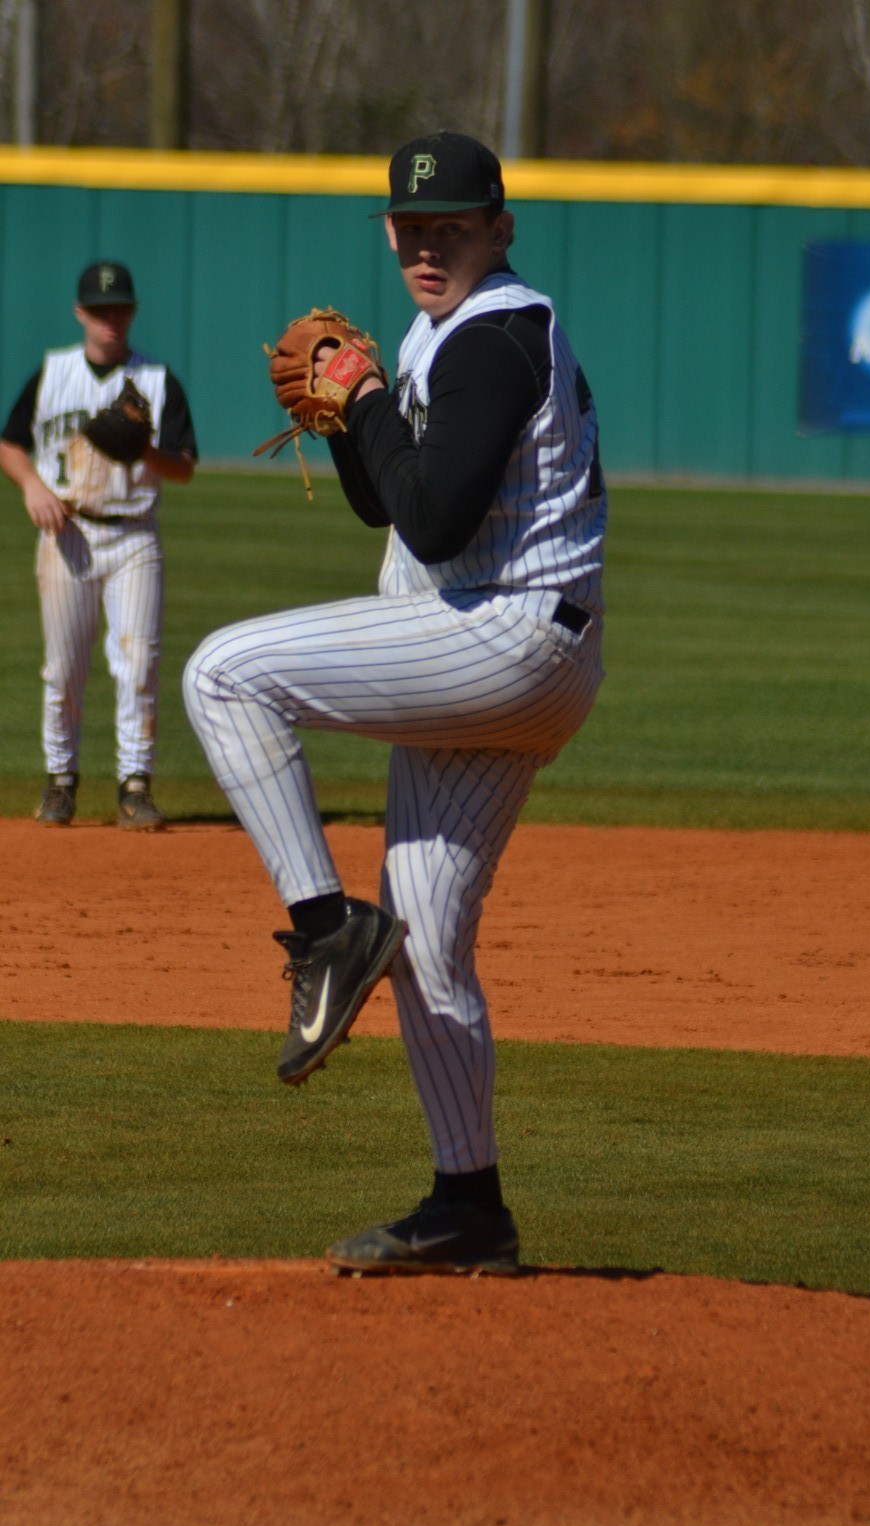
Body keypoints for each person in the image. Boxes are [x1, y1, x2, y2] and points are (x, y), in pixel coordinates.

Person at [183, 130, 606, 1275]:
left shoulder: (498, 335)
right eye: (411, 227)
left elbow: (432, 525)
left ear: (499, 227)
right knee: (427, 949)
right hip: (514, 652)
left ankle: (325, 934)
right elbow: (390, 503)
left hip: (503, 634)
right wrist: (353, 413)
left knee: (222, 670)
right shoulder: (444, 334)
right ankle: (469, 1204)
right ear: (386, 228)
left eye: (452, 227)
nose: (427, 245)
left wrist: (364, 391)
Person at [0, 260, 198, 830]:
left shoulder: (158, 381)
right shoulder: (53, 373)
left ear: (132, 312)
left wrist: (144, 453)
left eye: (121, 308)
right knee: (64, 669)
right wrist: (32, 484)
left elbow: (182, 468)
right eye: (100, 308)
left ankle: (135, 785)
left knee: (139, 663)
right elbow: (11, 445)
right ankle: (60, 782)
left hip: (134, 537)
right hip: (67, 533)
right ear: (80, 313)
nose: (111, 318)